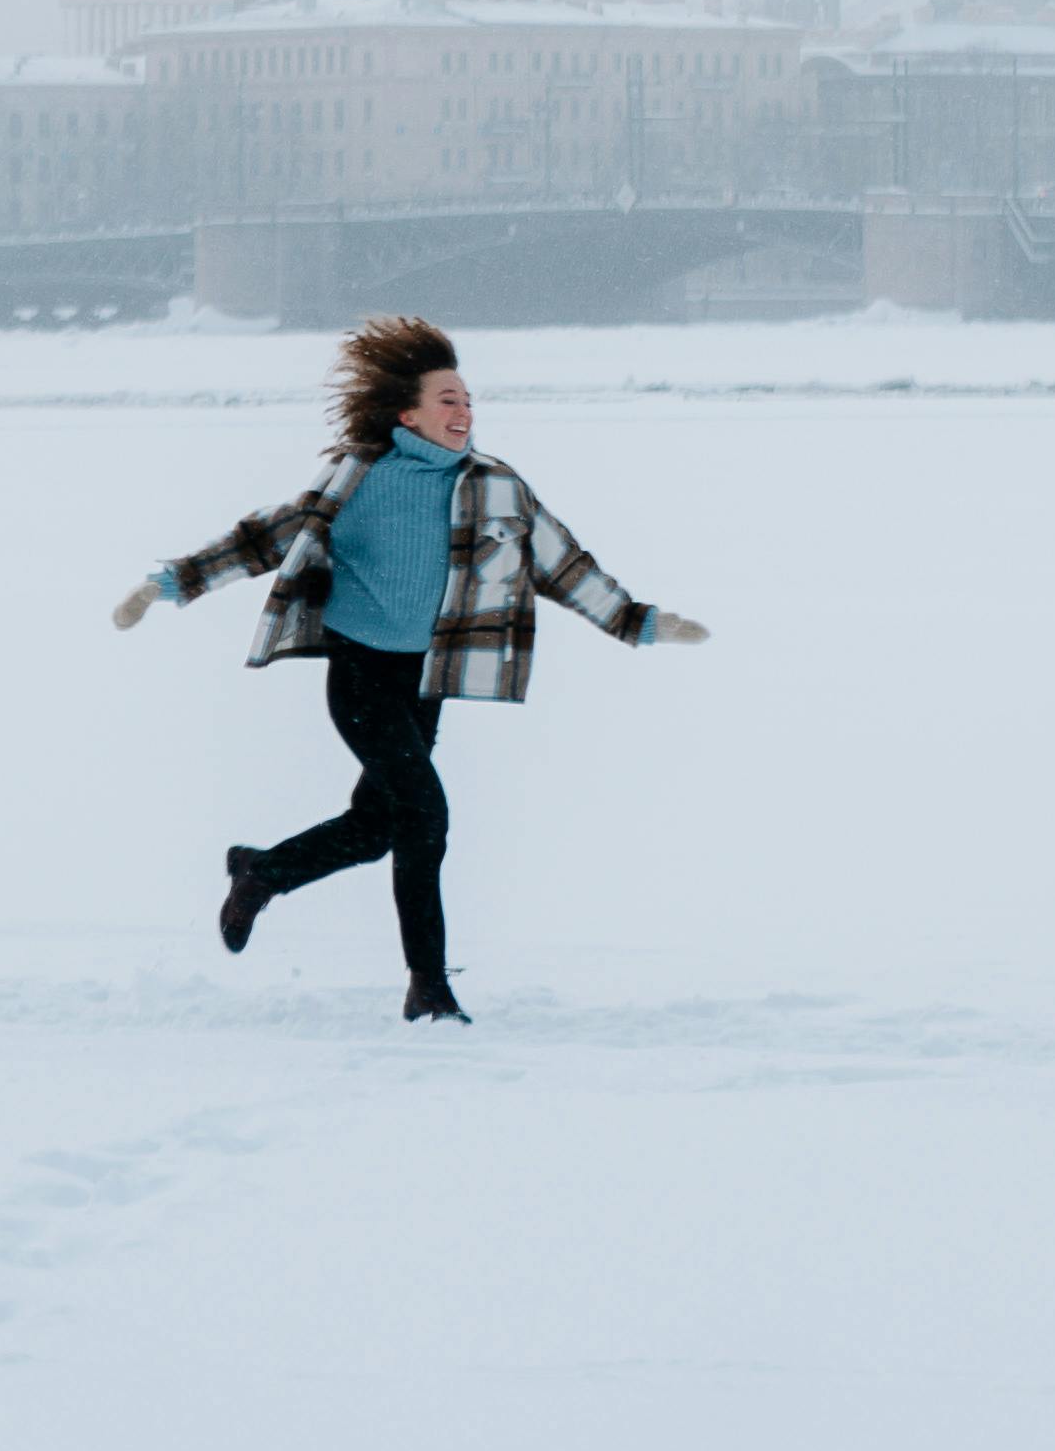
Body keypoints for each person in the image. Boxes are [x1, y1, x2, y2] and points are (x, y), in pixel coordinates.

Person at [115, 314, 705, 1022]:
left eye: (467, 401)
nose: (463, 413)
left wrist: (637, 622)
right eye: (448, 400)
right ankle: (429, 987)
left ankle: (261, 872)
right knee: (426, 817)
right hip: (359, 674)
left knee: (377, 828)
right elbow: (267, 536)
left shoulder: (495, 487)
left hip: (424, 682)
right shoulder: (359, 480)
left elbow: (562, 564)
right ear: (409, 413)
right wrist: (168, 585)